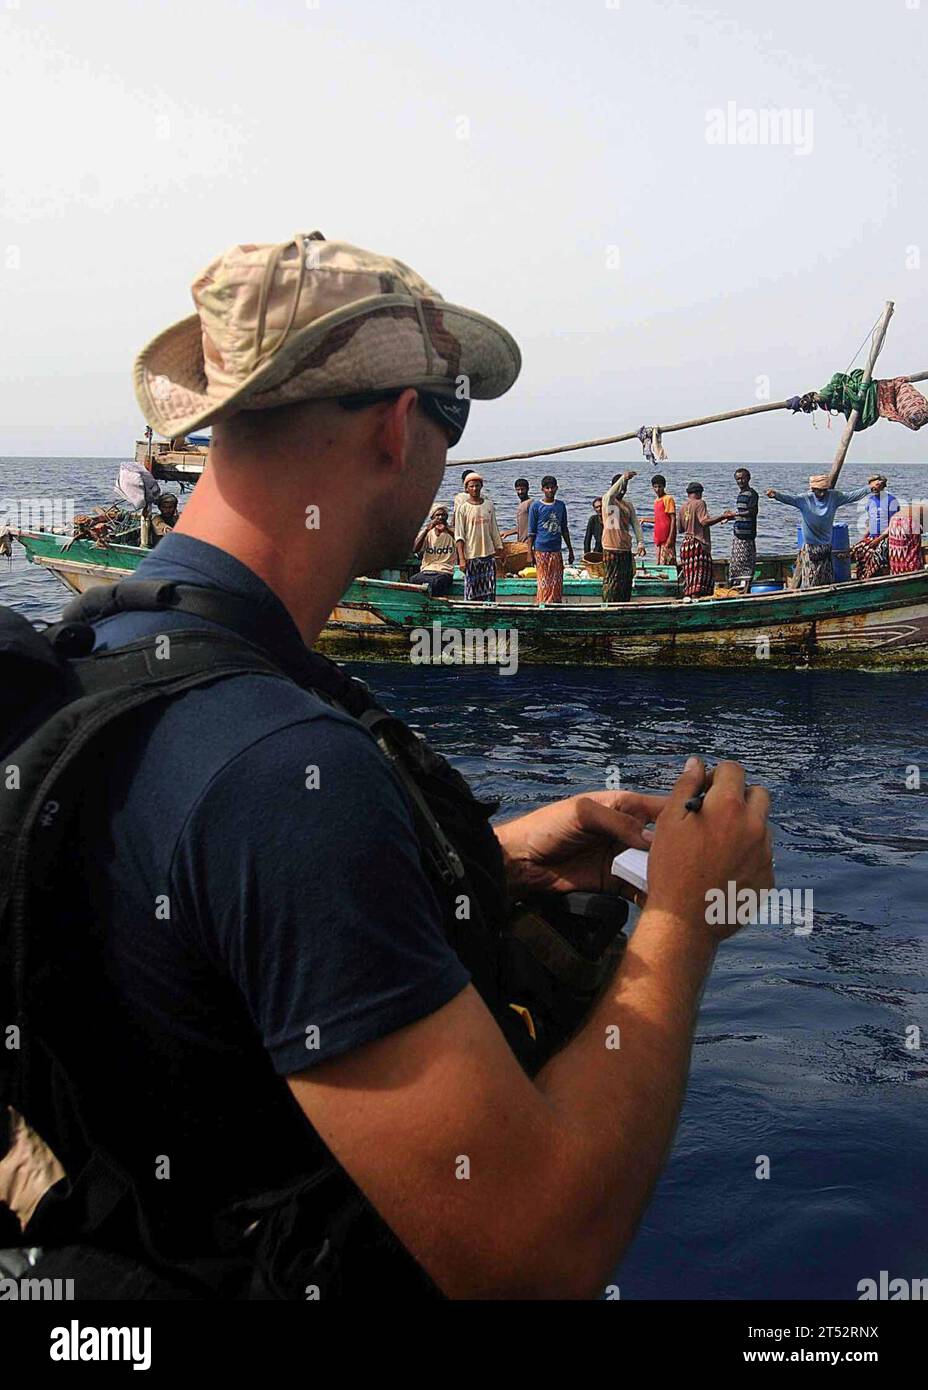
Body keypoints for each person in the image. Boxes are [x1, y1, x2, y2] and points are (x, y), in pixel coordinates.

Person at [16, 231, 772, 1302]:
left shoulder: (108, 658)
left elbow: (196, 923)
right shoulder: (277, 770)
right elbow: (534, 1253)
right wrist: (682, 921)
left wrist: (490, 860)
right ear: (397, 423)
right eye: (452, 417)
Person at [767, 475, 869, 589]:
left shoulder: (833, 497)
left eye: (824, 491)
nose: (822, 494)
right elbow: (789, 499)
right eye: (818, 491)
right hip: (811, 548)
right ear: (812, 489)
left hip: (826, 547)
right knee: (811, 579)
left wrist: (869, 488)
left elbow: (852, 496)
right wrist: (776, 495)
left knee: (827, 578)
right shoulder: (804, 499)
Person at [454, 471, 503, 601]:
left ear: (481, 486)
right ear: (466, 489)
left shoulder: (489, 505)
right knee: (471, 591)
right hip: (471, 556)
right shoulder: (462, 508)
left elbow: (494, 529)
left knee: (489, 591)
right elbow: (459, 535)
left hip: (488, 554)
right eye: (471, 486)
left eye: (477, 485)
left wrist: (499, 548)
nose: (474, 489)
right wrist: (462, 559)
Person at [600, 471, 646, 603]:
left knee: (626, 580)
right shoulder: (607, 501)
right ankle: (608, 605)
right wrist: (623, 479)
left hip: (625, 548)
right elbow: (610, 494)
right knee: (611, 581)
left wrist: (640, 543)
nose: (622, 491)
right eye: (620, 488)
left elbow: (636, 524)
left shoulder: (627, 505)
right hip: (611, 548)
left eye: (625, 489)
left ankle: (624, 604)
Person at [679, 482, 730, 598]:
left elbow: (680, 529)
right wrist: (722, 517)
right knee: (700, 581)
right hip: (698, 546)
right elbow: (704, 521)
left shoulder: (683, 507)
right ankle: (698, 604)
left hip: (686, 546)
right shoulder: (700, 503)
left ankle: (691, 601)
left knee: (690, 579)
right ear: (700, 493)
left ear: (688, 493)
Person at [527, 475, 574, 604]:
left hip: (556, 550)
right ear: (542, 489)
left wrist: (570, 550)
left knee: (556, 582)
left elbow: (564, 529)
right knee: (544, 582)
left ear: (556, 488)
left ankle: (555, 604)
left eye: (552, 488)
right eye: (547, 488)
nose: (550, 490)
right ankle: (542, 604)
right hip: (541, 550)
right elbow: (531, 532)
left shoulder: (560, 505)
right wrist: (529, 552)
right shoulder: (536, 506)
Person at [851, 473, 900, 579]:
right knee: (859, 550)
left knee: (881, 555)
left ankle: (886, 578)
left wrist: (878, 540)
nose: (874, 489)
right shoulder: (871, 501)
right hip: (873, 537)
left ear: (883, 486)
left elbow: (893, 524)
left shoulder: (891, 500)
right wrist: (864, 537)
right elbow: (871, 522)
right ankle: (865, 577)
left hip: (886, 537)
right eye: (872, 486)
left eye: (877, 486)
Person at [410, 502, 456, 596]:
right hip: (427, 570)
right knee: (413, 580)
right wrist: (427, 529)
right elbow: (415, 549)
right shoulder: (427, 533)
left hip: (445, 571)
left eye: (443, 515)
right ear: (432, 518)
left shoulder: (451, 532)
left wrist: (447, 530)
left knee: (436, 583)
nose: (440, 518)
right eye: (437, 515)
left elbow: (462, 543)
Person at [727, 468, 759, 592]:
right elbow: (741, 514)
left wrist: (734, 515)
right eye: (738, 479)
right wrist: (729, 518)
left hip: (747, 536)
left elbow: (752, 512)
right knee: (735, 565)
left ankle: (745, 589)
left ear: (748, 478)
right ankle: (737, 588)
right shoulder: (741, 495)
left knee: (745, 563)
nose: (740, 481)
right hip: (738, 535)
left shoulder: (752, 494)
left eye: (743, 478)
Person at [887, 503, 925, 575]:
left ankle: (897, 573)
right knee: (914, 550)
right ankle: (915, 573)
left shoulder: (919, 507)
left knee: (897, 551)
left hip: (894, 520)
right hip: (908, 521)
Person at [651, 475, 677, 565]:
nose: (657, 489)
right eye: (655, 487)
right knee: (658, 564)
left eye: (659, 487)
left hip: (667, 539)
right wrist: (645, 519)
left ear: (664, 486)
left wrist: (671, 538)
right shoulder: (656, 501)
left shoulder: (668, 499)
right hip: (658, 539)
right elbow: (659, 519)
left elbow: (673, 519)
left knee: (668, 563)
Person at [501, 478, 532, 542]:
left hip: (528, 543)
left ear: (527, 489)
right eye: (518, 490)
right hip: (521, 542)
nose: (520, 492)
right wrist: (507, 533)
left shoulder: (530, 504)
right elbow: (522, 528)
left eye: (522, 489)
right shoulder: (521, 504)